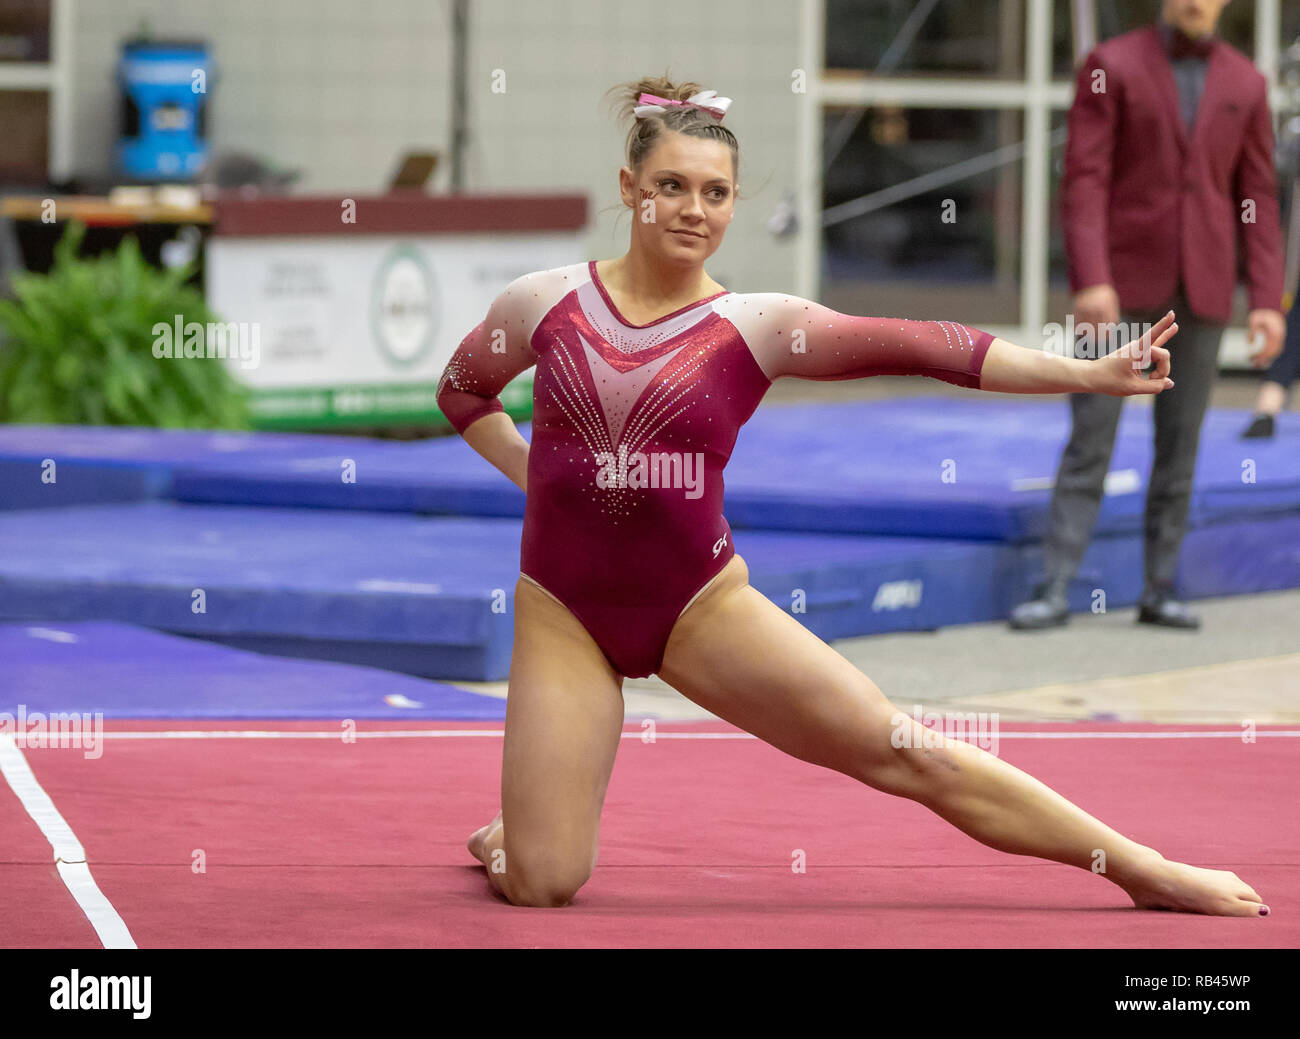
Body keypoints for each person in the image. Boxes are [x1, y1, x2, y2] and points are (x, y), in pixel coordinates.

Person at [436, 75, 1268, 917]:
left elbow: (927, 345)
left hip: (697, 608)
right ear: (630, 190)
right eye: (671, 187)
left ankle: (1140, 865)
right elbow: (462, 391)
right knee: (544, 881)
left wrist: (1085, 372)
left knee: (904, 749)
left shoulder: (754, 325)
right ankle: (518, 829)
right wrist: (538, 475)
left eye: (716, 192)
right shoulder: (545, 303)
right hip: (564, 612)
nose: (694, 209)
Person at [1011, 0, 1286, 632]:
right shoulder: (1109, 65)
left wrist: (1267, 300)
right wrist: (1092, 279)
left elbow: (1258, 197)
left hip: (1204, 289)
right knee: (1092, 436)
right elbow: (1084, 178)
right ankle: (1055, 585)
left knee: (1181, 442)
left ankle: (1160, 586)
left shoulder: (1248, 82)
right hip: (1118, 288)